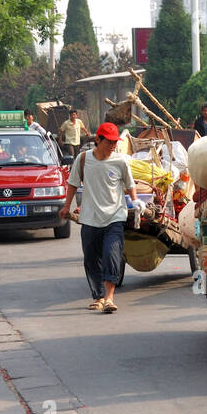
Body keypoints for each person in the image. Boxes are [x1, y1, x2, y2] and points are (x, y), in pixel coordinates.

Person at [64, 121, 138, 314]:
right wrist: (66, 207)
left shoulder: (121, 161)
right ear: (98, 139)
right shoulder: (82, 159)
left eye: (115, 142)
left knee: (111, 255)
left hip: (115, 217)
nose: (113, 145)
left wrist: (137, 201)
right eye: (109, 142)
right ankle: (98, 297)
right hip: (89, 218)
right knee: (91, 258)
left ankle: (109, 297)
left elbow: (130, 185)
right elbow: (72, 184)